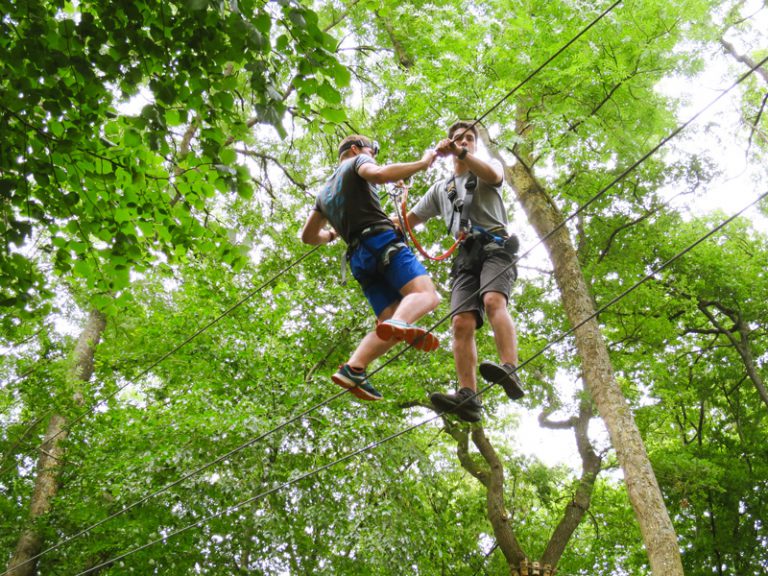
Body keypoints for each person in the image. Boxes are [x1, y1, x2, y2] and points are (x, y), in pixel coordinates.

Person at [301, 135, 441, 402]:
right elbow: (377, 174)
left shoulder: (323, 194)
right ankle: (400, 322)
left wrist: (331, 235)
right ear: (355, 150)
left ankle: (354, 368)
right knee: (426, 295)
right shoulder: (357, 162)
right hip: (382, 243)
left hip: (358, 259)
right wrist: (423, 163)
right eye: (371, 151)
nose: (372, 156)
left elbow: (307, 236)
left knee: (388, 322)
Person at [405, 121, 524, 422]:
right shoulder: (440, 190)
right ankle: (467, 395)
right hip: (465, 256)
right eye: (459, 139)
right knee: (460, 321)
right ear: (446, 145)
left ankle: (510, 368)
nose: (465, 142)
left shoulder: (486, 168)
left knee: (493, 300)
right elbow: (407, 221)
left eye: (470, 139)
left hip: (496, 247)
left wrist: (460, 152)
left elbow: (494, 175)